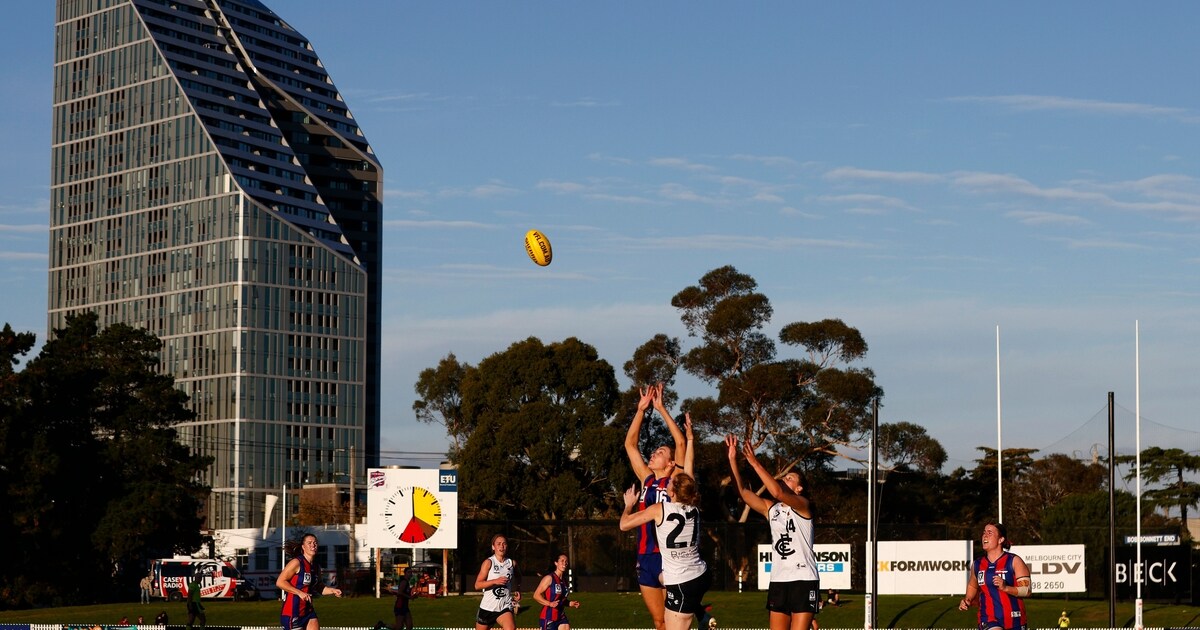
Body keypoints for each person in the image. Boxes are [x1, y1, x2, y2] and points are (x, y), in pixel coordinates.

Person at [725, 434, 819, 630]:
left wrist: (754, 462)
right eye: (784, 477)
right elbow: (742, 492)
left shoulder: (803, 505)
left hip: (803, 579)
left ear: (799, 488)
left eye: (790, 478)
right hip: (779, 579)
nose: (785, 479)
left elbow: (777, 492)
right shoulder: (771, 509)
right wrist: (732, 459)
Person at [624, 383, 689, 630]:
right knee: (659, 621)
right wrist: (641, 411)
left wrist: (661, 408)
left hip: (669, 557)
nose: (653, 453)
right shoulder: (647, 479)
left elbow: (681, 444)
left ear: (671, 462)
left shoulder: (676, 482)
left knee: (675, 620)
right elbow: (630, 446)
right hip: (645, 557)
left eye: (660, 451)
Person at [619, 472, 710, 630]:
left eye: (670, 482)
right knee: (661, 577)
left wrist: (628, 505)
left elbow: (624, 525)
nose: (667, 482)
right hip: (701, 574)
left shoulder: (659, 509)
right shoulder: (694, 508)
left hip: (682, 582)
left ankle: (701, 614)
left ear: (673, 492)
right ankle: (701, 614)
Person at [959, 522, 1032, 630]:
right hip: (988, 618)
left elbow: (1027, 590)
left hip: (1015, 619)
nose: (985, 535)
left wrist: (1006, 588)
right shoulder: (978, 564)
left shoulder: (1014, 561)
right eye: (984, 532)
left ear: (1000, 539)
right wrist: (968, 600)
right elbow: (973, 586)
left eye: (990, 533)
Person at [277, 533, 344, 630]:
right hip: (293, 611)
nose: (313, 545)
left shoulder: (316, 566)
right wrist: (299, 593)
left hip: (308, 611)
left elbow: (319, 587)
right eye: (309, 543)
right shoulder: (296, 562)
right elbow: (280, 582)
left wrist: (333, 591)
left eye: (315, 543)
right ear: (303, 547)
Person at [475, 534, 521, 630]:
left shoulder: (512, 563)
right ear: (493, 547)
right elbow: (477, 585)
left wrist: (518, 589)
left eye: (504, 544)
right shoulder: (488, 562)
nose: (501, 546)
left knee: (511, 628)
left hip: (504, 606)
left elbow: (519, 577)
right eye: (498, 544)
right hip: (487, 607)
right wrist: (495, 581)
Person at [533, 552, 581, 630]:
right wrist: (549, 603)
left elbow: (560, 599)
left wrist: (570, 603)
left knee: (566, 626)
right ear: (556, 563)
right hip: (548, 617)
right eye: (562, 561)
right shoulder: (549, 578)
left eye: (566, 561)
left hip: (560, 616)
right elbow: (536, 595)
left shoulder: (565, 581)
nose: (565, 563)